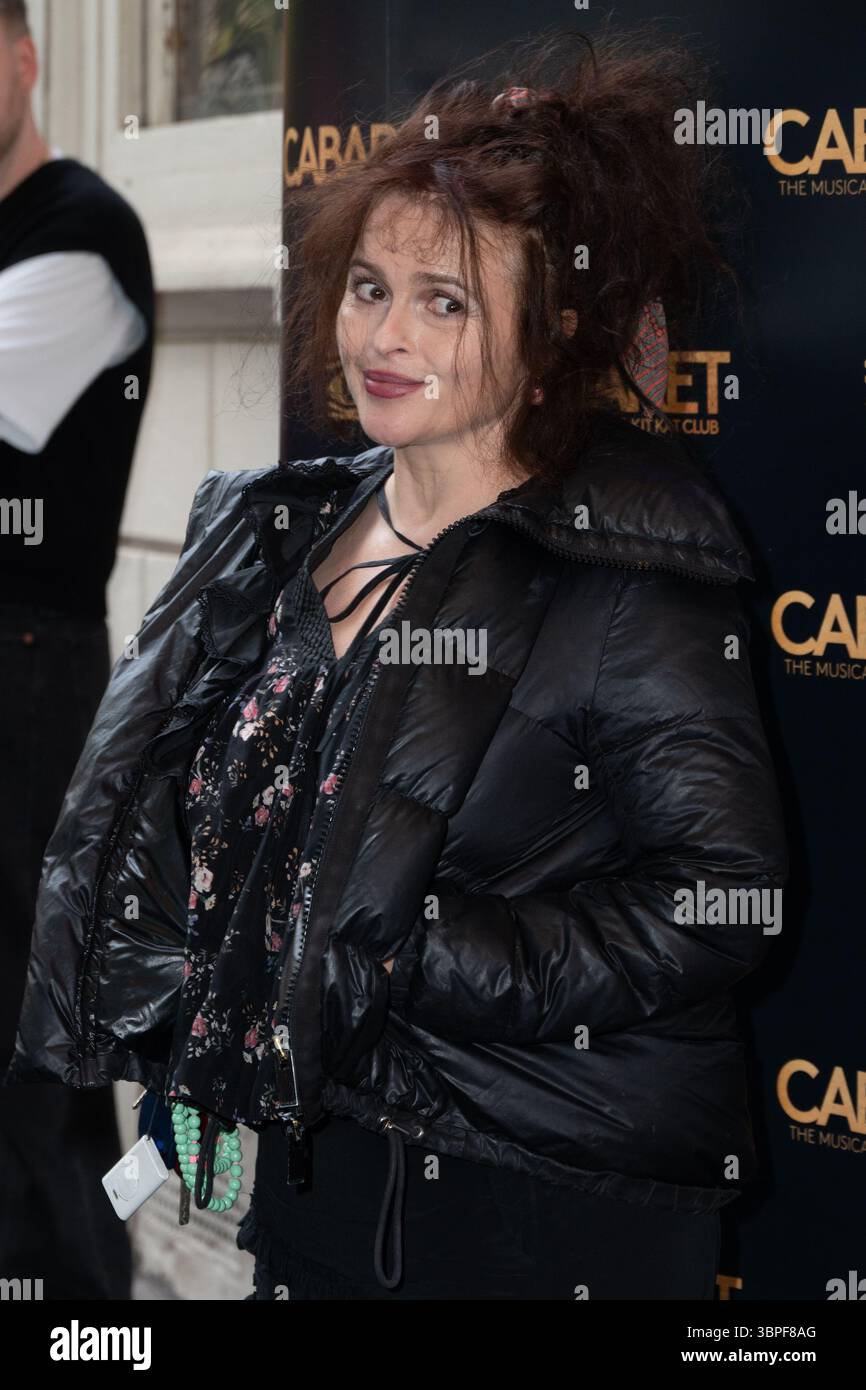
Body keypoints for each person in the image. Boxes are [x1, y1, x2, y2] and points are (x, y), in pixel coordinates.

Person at [4, 27, 787, 1301]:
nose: (386, 334)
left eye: (446, 301)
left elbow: (722, 893)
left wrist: (403, 951)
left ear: (547, 332)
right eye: (371, 286)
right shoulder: (275, 525)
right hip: (322, 1162)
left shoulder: (628, 573)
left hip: (536, 1194)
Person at [0, 0, 154, 1298]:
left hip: (30, 678)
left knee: (40, 1053)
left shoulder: (82, 230)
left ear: (24, 55)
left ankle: (84, 1315)